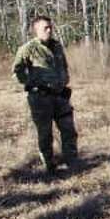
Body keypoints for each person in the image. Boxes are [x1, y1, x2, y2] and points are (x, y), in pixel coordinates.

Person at [12, 16, 78, 175]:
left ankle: (72, 162)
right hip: (41, 98)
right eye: (45, 28)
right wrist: (31, 83)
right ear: (36, 31)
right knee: (45, 133)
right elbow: (17, 71)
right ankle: (50, 164)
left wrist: (64, 81)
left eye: (50, 27)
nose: (49, 30)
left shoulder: (57, 46)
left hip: (61, 96)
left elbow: (63, 66)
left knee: (69, 129)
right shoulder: (28, 48)